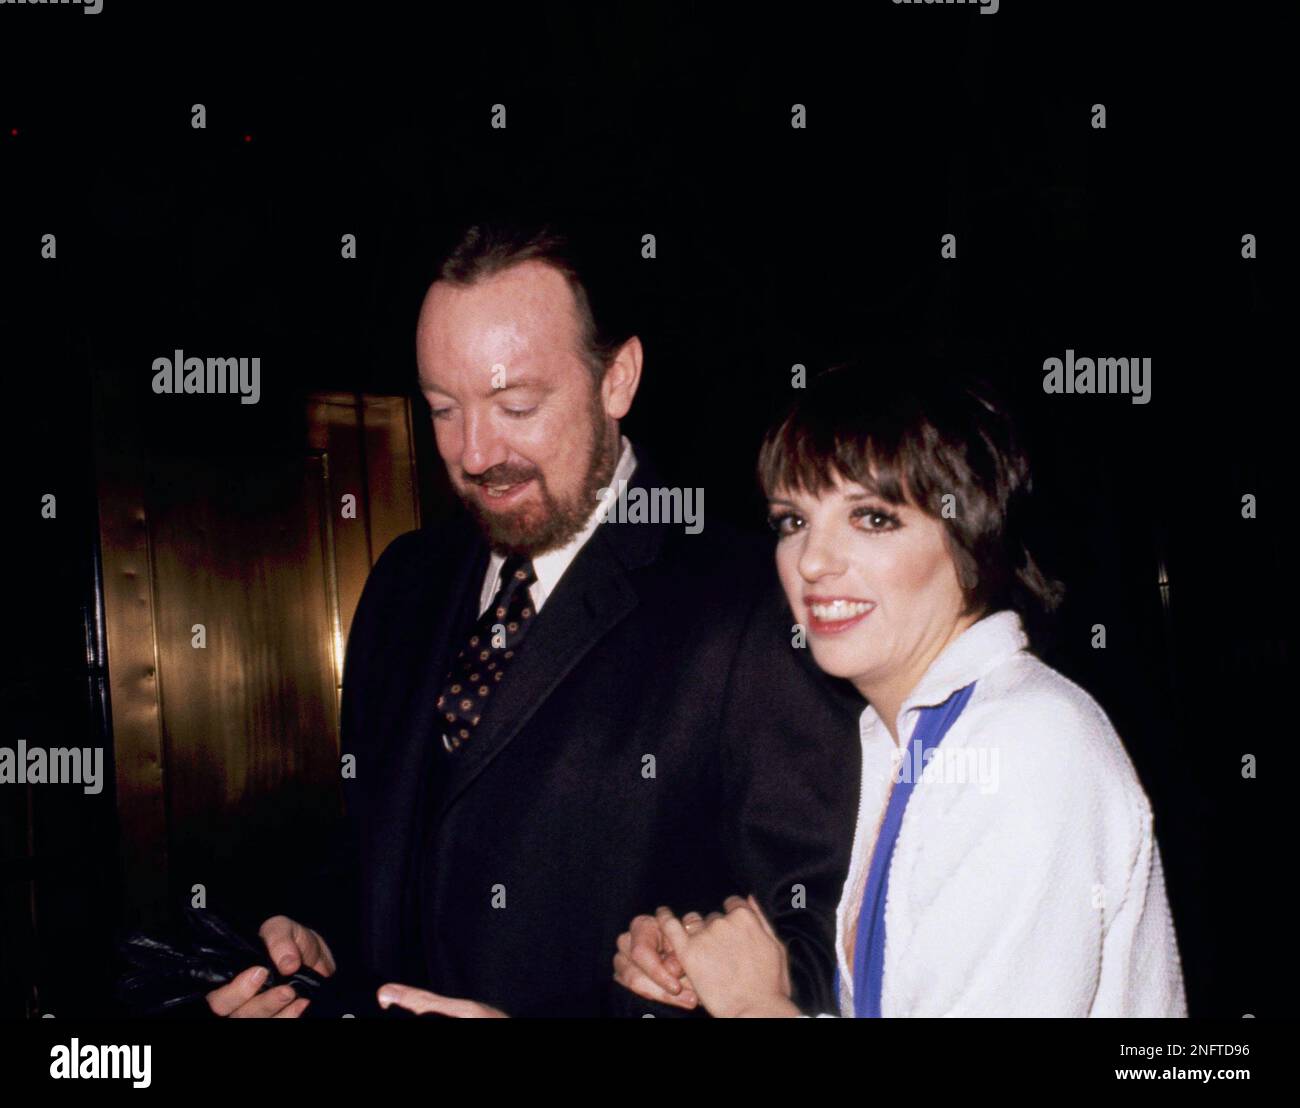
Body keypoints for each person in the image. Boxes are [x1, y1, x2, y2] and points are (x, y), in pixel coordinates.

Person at [206, 217, 861, 1019]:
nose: (475, 453)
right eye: (443, 409)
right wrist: (315, 936)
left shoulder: (750, 603)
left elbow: (819, 946)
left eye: (514, 405)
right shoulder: (403, 585)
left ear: (617, 380)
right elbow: (387, 850)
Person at [617, 364, 1188, 1017]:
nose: (812, 562)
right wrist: (711, 971)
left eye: (872, 518)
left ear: (971, 532)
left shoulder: (1025, 746)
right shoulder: (906, 740)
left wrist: (755, 1006)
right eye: (792, 521)